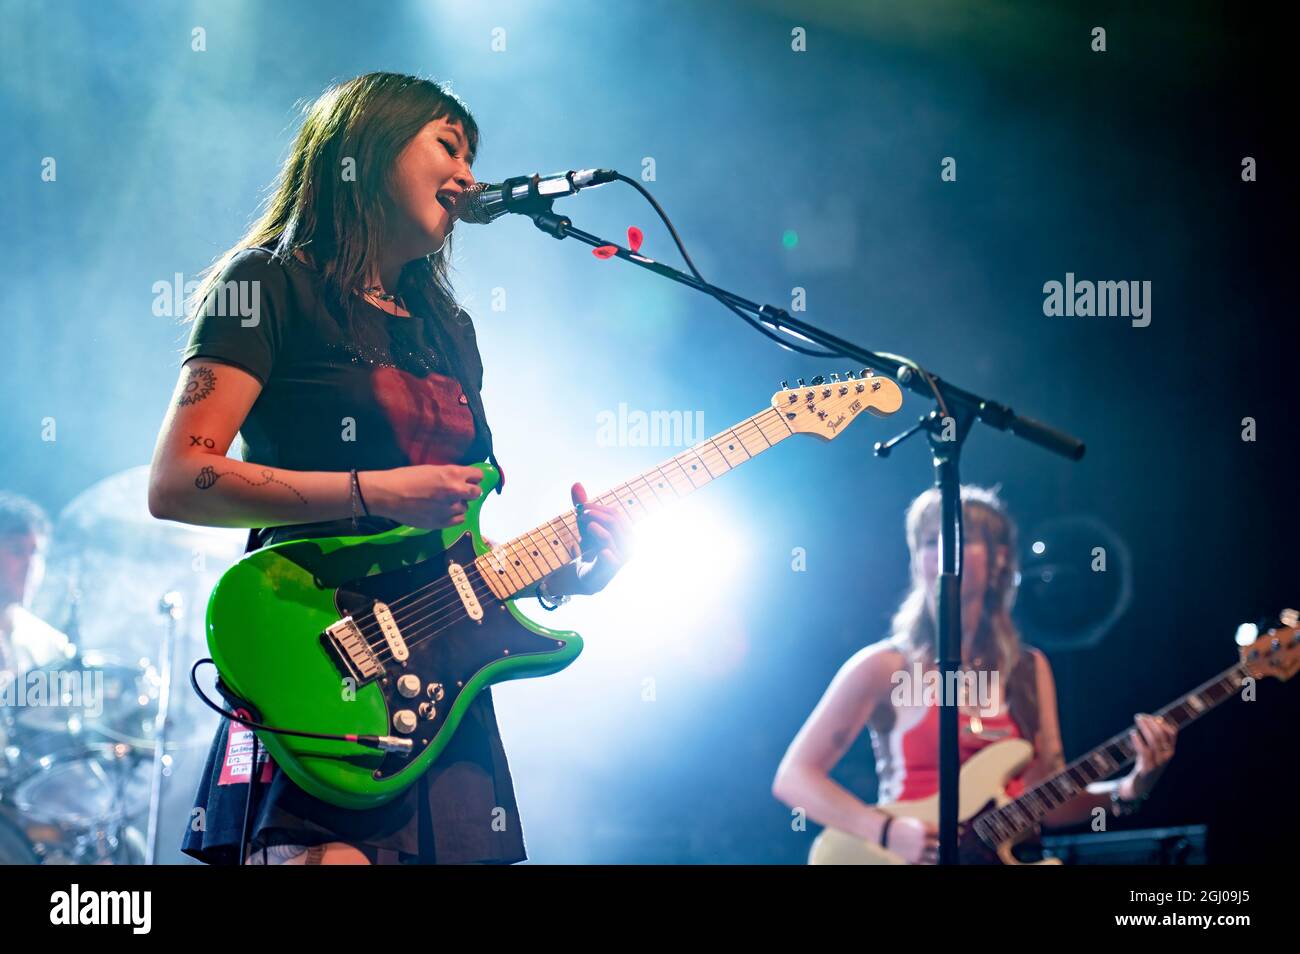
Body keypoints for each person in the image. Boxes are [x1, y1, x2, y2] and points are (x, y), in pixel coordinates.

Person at [148, 72, 632, 865]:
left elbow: (460, 531)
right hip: (319, 652)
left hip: (446, 686)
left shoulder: (449, 328)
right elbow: (175, 480)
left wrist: (562, 573)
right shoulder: (266, 283)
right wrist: (373, 493)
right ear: (366, 146)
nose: (470, 178)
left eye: (474, 158)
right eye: (449, 146)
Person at [772, 485, 1176, 864]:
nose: (943, 553)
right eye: (930, 542)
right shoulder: (884, 666)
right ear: (916, 561)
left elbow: (1047, 801)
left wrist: (1130, 787)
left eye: (961, 539)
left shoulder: (1028, 670)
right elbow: (794, 777)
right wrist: (885, 830)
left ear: (1000, 558)